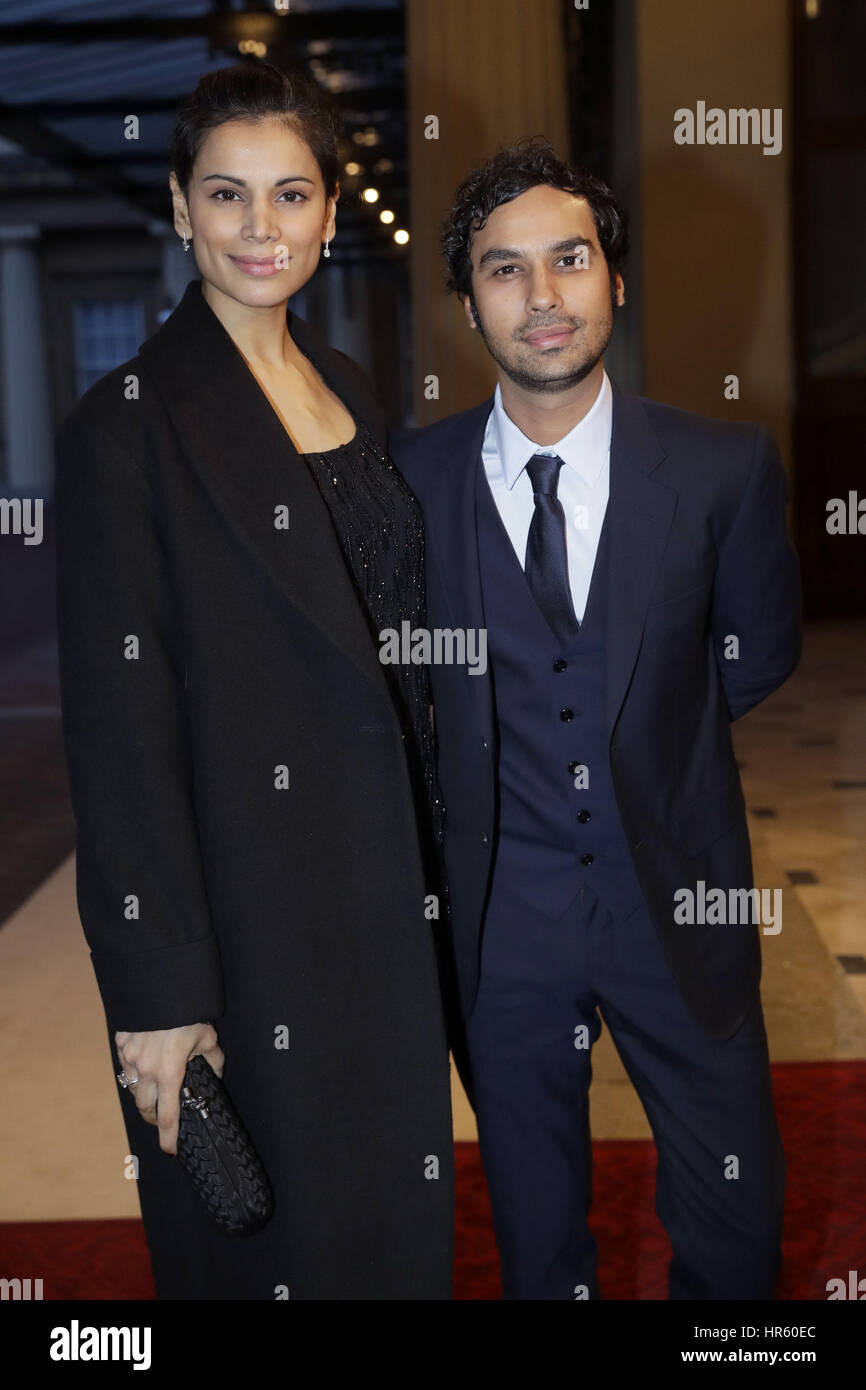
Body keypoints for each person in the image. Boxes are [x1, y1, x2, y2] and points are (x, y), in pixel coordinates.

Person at [55, 62, 454, 1300]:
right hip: (249, 922)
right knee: (280, 1253)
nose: (261, 228)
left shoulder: (348, 388)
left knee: (387, 1235)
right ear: (180, 209)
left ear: (331, 213)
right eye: (227, 195)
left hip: (386, 903)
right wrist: (159, 996)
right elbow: (118, 731)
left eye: (291, 194)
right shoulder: (125, 419)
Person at [390, 137, 802, 1300]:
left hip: (676, 892)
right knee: (536, 1243)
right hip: (497, 925)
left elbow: (754, 654)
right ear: (468, 303)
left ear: (613, 278)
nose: (542, 296)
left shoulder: (725, 467)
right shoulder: (408, 483)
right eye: (503, 269)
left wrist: (643, 738)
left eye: (567, 259)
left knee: (734, 1227)